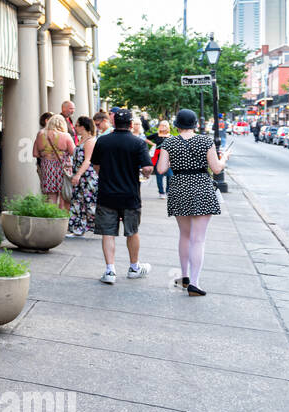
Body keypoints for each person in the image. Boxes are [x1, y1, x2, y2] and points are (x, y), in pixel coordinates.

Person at [156, 108, 230, 297]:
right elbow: (215, 168)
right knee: (199, 239)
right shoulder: (205, 141)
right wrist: (224, 159)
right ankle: (195, 283)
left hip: (179, 188)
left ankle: (184, 276)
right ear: (196, 124)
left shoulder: (169, 142)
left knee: (185, 235)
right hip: (202, 188)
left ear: (177, 125)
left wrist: (177, 160)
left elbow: (162, 168)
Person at [90, 109, 154, 284]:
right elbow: (148, 168)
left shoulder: (102, 141)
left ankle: (110, 271)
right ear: (131, 125)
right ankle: (134, 267)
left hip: (107, 193)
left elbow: (96, 166)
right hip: (130, 195)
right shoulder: (138, 143)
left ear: (114, 123)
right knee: (132, 232)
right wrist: (144, 172)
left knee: (108, 233)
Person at [35, 114, 75, 210]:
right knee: (64, 194)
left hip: (47, 167)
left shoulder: (40, 134)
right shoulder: (66, 136)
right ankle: (61, 220)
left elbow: (35, 153)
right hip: (63, 167)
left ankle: (51, 218)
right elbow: (74, 152)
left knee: (51, 196)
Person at [67, 116, 98, 237]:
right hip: (80, 175)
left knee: (87, 202)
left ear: (83, 127)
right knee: (78, 202)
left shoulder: (90, 141)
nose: (75, 127)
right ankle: (78, 228)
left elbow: (88, 160)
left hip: (87, 177)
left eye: (77, 125)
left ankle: (83, 227)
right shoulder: (81, 140)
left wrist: (78, 175)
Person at [150, 120, 173, 195]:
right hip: (158, 158)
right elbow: (146, 138)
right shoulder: (156, 135)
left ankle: (168, 191)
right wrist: (153, 144)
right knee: (159, 176)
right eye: (161, 125)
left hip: (168, 158)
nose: (162, 127)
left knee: (170, 175)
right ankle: (161, 192)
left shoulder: (171, 136)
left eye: (164, 125)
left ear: (167, 127)